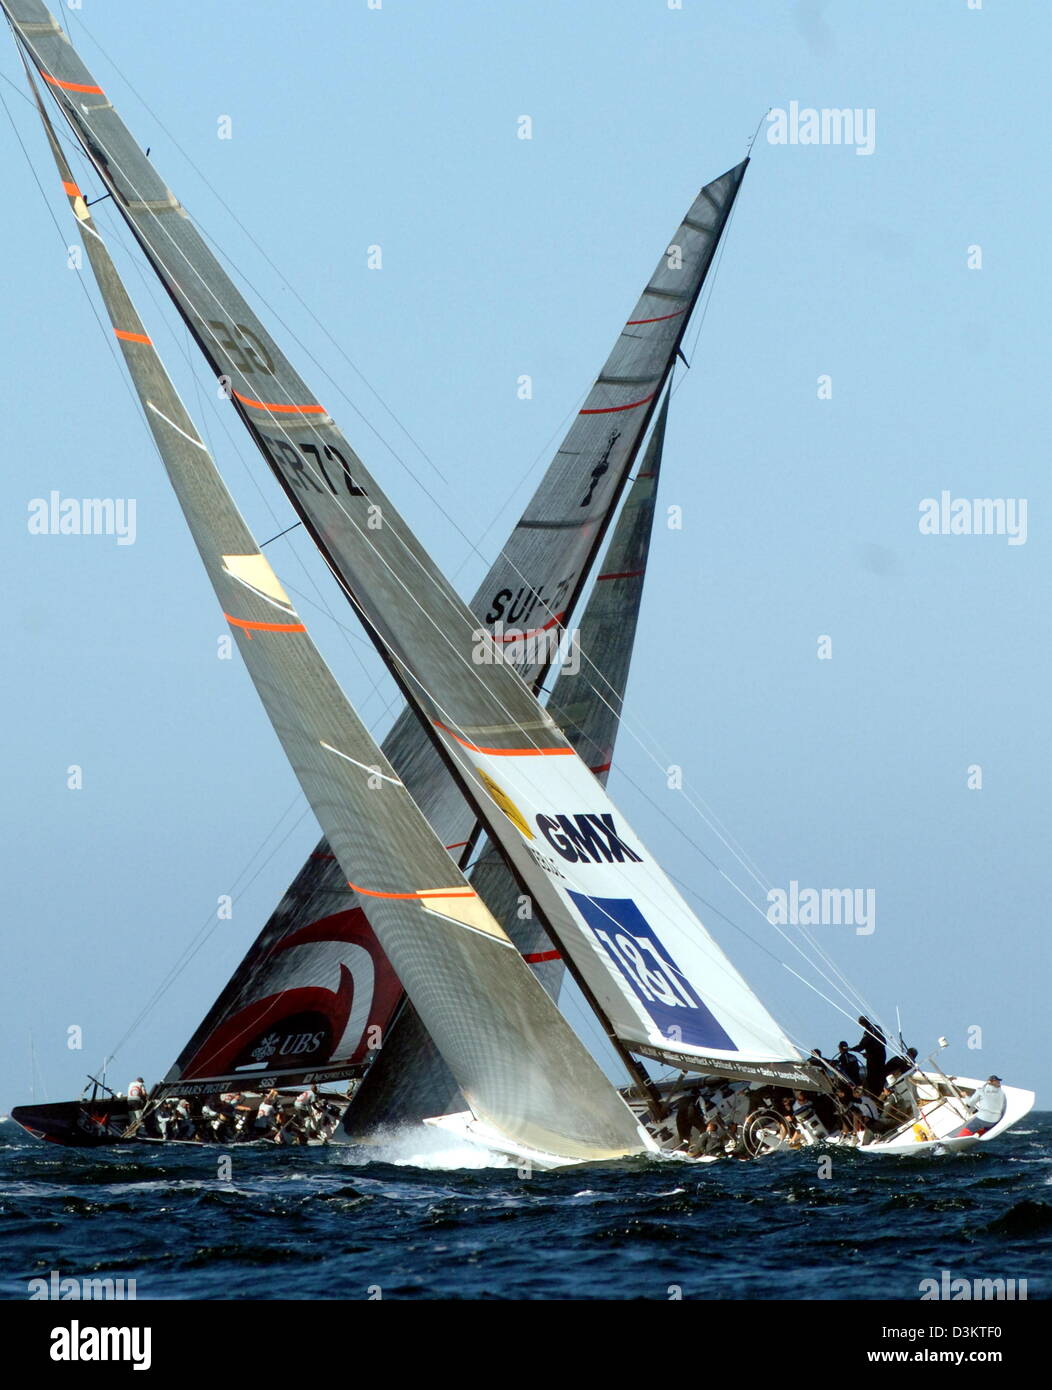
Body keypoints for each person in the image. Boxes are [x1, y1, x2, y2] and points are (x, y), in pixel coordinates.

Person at [849, 1018, 887, 1097]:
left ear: (862, 1023)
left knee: (872, 1077)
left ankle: (873, 1095)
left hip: (874, 1058)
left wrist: (851, 1049)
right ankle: (880, 1092)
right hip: (882, 1055)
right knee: (880, 1074)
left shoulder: (868, 1031)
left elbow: (861, 1046)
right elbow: (882, 1042)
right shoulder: (877, 1028)